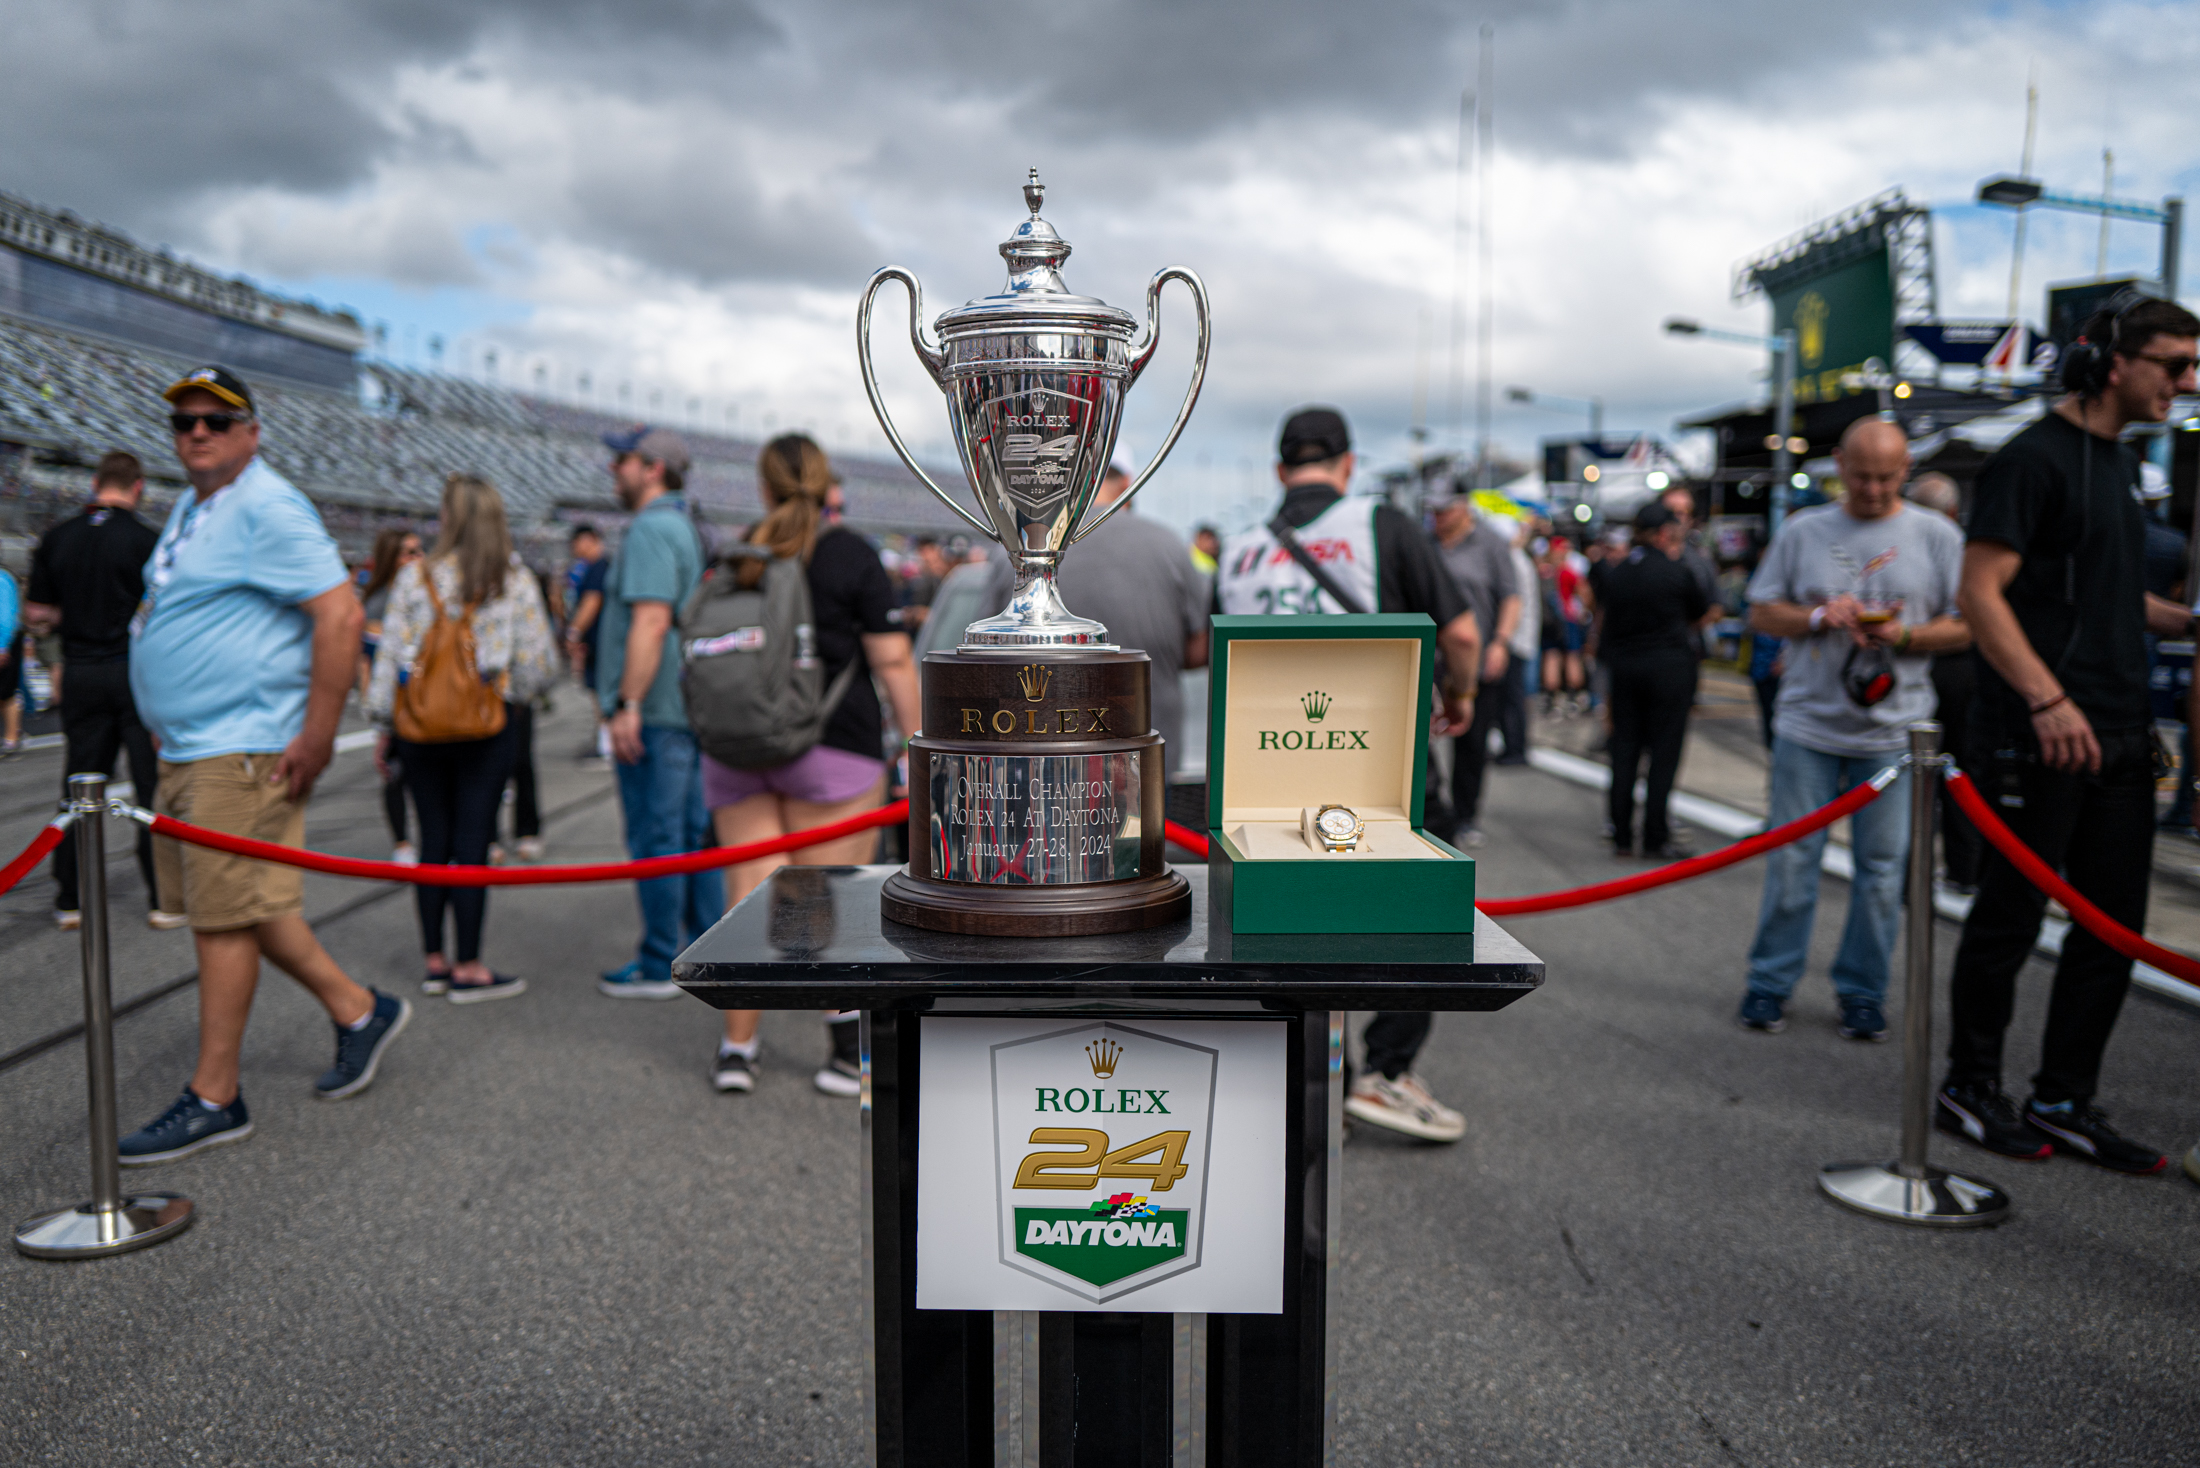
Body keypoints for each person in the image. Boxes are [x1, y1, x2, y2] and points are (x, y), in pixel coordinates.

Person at [116, 365, 407, 1166]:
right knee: (244, 905)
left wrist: (318, 733)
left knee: (222, 920)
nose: (197, 433)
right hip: (193, 743)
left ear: (251, 431)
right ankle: (359, 1010)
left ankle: (216, 1096)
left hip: (239, 746)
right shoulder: (197, 504)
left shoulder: (267, 505)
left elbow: (340, 614)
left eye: (215, 420)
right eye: (184, 422)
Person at [1938, 296, 2200, 1174]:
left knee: (2113, 928)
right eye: (2174, 364)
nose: (2187, 383)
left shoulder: (2118, 464)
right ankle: (1969, 1087)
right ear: (2111, 363)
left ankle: (2063, 1098)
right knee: (2009, 918)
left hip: (2122, 734)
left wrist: (2183, 620)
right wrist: (2048, 701)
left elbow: (2103, 590)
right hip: (2039, 732)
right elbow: (1980, 593)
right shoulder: (2032, 459)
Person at [1215, 406, 1478, 1143]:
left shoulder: (1239, 547)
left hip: (1263, 773)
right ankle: (1385, 1072)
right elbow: (1461, 633)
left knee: (1280, 925)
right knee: (1411, 917)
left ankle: (1305, 1076)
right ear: (1348, 464)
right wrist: (1459, 697)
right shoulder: (1381, 525)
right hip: (1377, 764)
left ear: (1279, 470)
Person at [1734, 419, 1967, 1038]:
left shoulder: (1937, 535)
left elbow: (1968, 625)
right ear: (1838, 464)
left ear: (1907, 468)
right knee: (1792, 862)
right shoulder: (1803, 530)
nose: (1873, 489)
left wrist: (1905, 634)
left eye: (1887, 478)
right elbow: (1761, 612)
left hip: (1896, 733)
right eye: (1861, 476)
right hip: (1808, 724)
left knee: (1883, 873)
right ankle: (1769, 982)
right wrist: (1818, 616)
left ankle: (1863, 991)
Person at [705, 435, 923, 1095]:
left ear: (764, 486)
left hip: (741, 746)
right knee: (826, 897)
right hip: (833, 745)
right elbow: (891, 659)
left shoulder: (741, 552)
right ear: (828, 486)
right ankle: (842, 1052)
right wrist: (919, 747)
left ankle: (737, 1049)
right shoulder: (849, 552)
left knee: (748, 895)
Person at [368, 474, 558, 1002]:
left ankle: (434, 960)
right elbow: (538, 666)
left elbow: (390, 658)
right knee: (473, 841)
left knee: (433, 839)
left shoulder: (417, 576)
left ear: (448, 518)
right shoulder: (511, 579)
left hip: (421, 725)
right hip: (485, 725)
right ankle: (469, 965)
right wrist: (510, 692)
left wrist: (384, 723)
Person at [595, 426, 725, 1001]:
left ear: (652, 468)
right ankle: (705, 950)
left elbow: (650, 622)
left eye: (622, 460)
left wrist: (628, 703)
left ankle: (658, 962)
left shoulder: (652, 527)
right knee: (693, 834)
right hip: (684, 703)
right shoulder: (684, 523)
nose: (613, 470)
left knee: (658, 836)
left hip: (657, 708)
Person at [988, 448, 1210, 775]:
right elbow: (1199, 649)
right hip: (1145, 758)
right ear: (1128, 484)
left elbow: (987, 651)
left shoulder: (1016, 548)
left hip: (1036, 760)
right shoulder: (1169, 545)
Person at [25, 450, 173, 928]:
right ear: (138, 487)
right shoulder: (148, 540)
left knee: (80, 783)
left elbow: (38, 615)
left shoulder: (58, 536)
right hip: (134, 671)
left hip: (81, 670)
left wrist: (72, 617)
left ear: (95, 484)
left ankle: (70, 897)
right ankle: (162, 897)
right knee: (150, 787)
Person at [1595, 502, 1708, 859]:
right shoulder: (1676, 571)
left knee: (1624, 750)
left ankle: (1621, 834)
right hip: (1669, 669)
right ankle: (1655, 835)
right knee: (1664, 753)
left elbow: (1605, 625)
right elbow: (1700, 611)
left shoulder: (1617, 573)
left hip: (1625, 669)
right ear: (1663, 533)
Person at [1429, 486, 1521, 847]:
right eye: (1434, 512)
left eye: (1444, 510)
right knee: (1421, 740)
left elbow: (1510, 596)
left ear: (1463, 507)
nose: (1438, 518)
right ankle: (1428, 811)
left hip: (1475, 655)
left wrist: (1501, 641)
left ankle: (1465, 815)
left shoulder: (1490, 544)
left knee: (1472, 741)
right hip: (1431, 658)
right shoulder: (1425, 544)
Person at [1905, 471, 1982, 890]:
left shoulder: (1915, 543)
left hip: (1927, 664)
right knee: (1956, 769)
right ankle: (1961, 868)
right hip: (1952, 668)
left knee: (1924, 773)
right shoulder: (1962, 545)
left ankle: (1913, 871)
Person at [358, 527, 424, 863]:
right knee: (395, 773)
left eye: (419, 551)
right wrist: (374, 707)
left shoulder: (430, 592)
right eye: (408, 552)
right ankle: (402, 843)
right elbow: (370, 660)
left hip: (429, 700)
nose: (417, 558)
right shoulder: (378, 601)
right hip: (396, 702)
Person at [563, 524, 610, 761]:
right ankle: (604, 740)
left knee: (600, 691)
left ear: (590, 539)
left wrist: (574, 633)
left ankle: (606, 744)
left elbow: (592, 602)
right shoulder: (594, 567)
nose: (574, 548)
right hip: (599, 641)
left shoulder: (598, 567)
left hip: (600, 641)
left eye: (577, 542)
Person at [1498, 515, 1539, 763]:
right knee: (1511, 697)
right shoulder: (1518, 559)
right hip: (1517, 639)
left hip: (1514, 640)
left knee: (1512, 698)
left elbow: (1514, 604)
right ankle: (1513, 746)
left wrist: (1503, 639)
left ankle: (1515, 748)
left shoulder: (1513, 561)